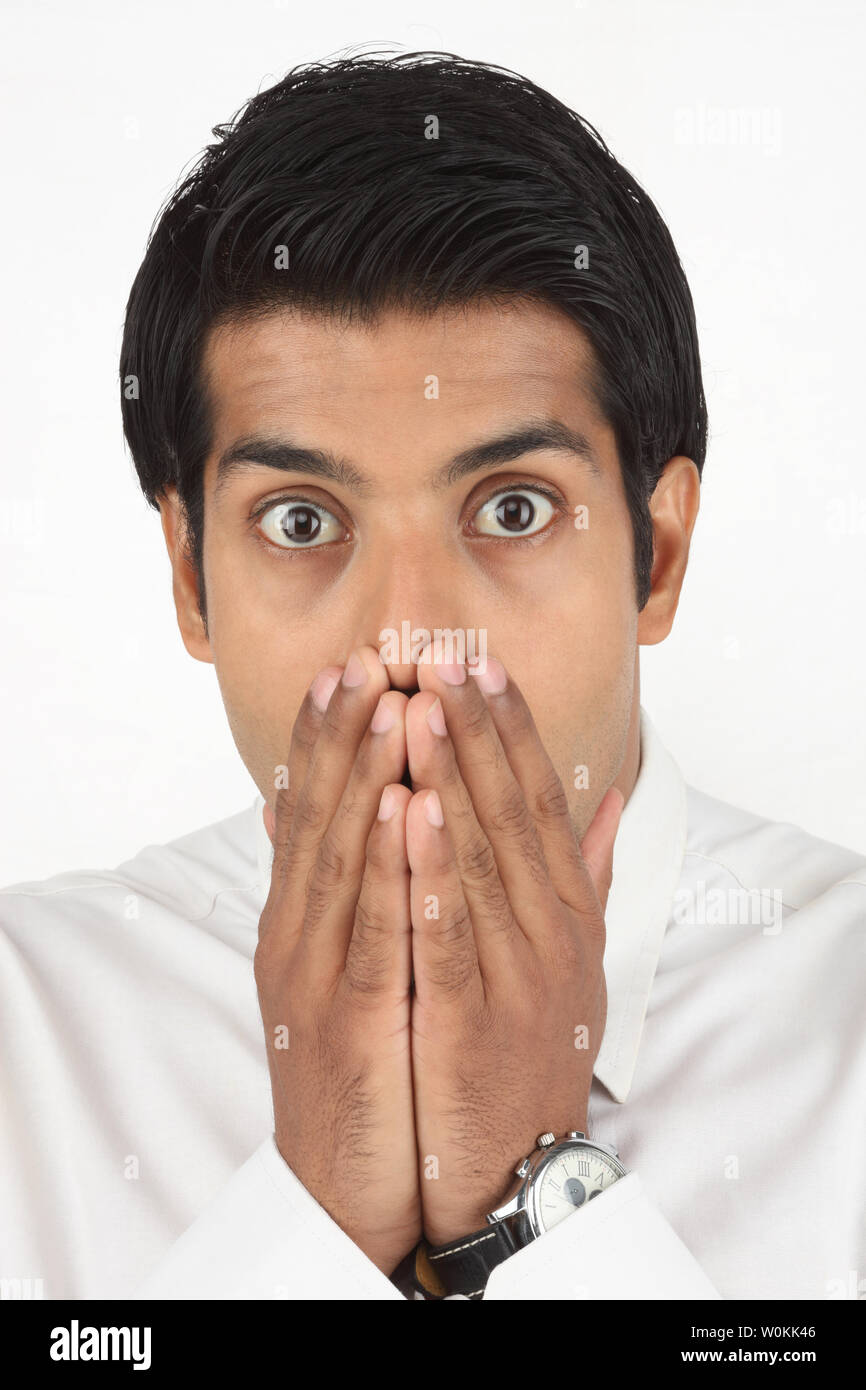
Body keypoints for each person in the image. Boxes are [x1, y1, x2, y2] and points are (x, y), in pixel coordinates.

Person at [1, 50, 863, 1302]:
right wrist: (315, 1208)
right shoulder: (27, 1032)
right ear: (190, 576)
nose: (411, 641)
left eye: (512, 508)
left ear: (657, 555)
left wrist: (533, 1205)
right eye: (301, 523)